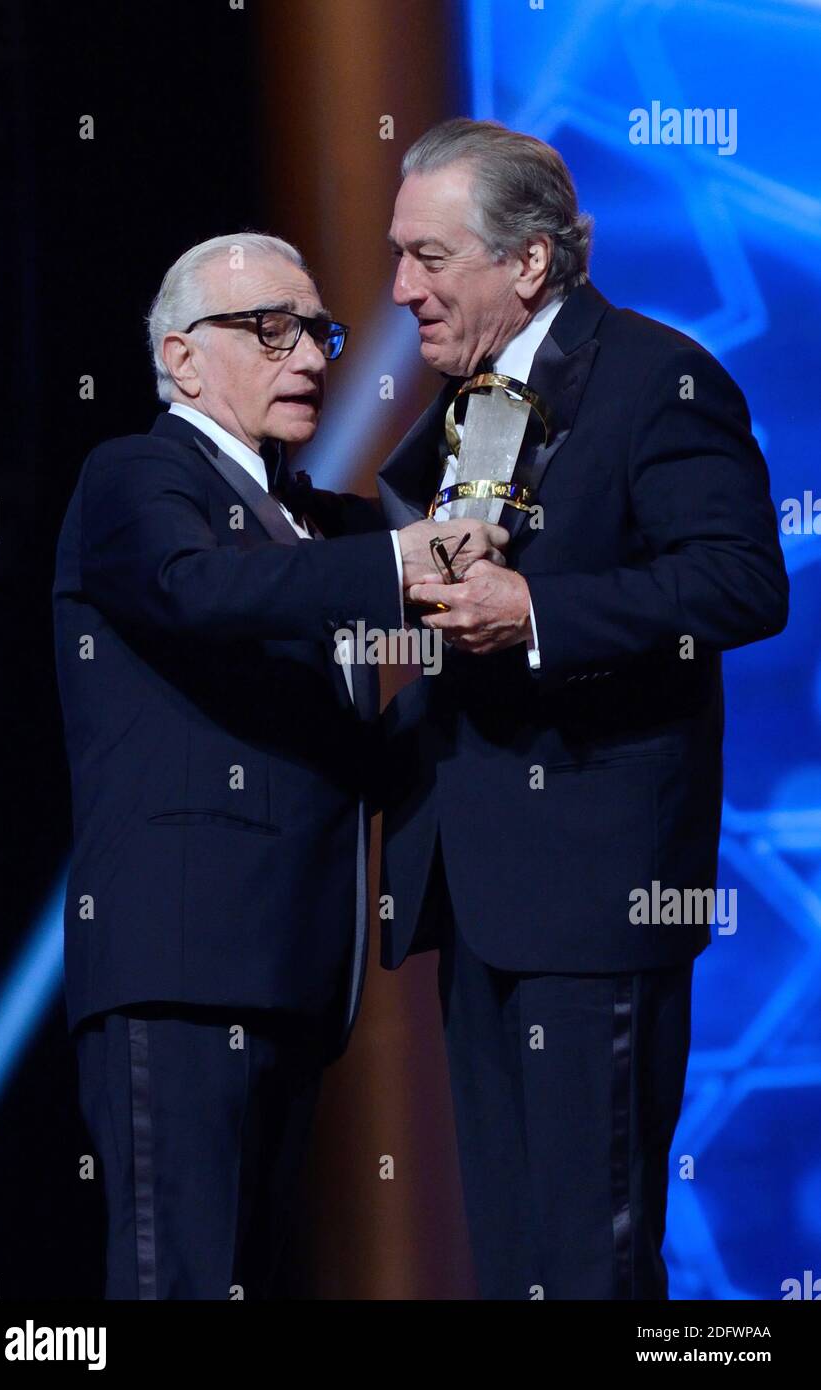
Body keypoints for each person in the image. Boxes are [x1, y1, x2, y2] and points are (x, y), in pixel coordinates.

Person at [377, 119, 789, 1300]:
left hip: (594, 886)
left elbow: (737, 582)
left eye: (427, 258)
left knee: (586, 1256)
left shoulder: (659, 378)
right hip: (479, 875)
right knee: (511, 1259)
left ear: (528, 263)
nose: (401, 288)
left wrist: (537, 614)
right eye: (398, 257)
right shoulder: (469, 406)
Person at [52, 231, 505, 1299]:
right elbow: (200, 591)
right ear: (180, 359)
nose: (308, 356)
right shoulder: (135, 474)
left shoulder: (313, 521)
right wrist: (402, 560)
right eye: (271, 330)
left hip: (293, 975)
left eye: (317, 331)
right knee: (179, 1281)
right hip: (180, 963)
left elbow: (347, 722)